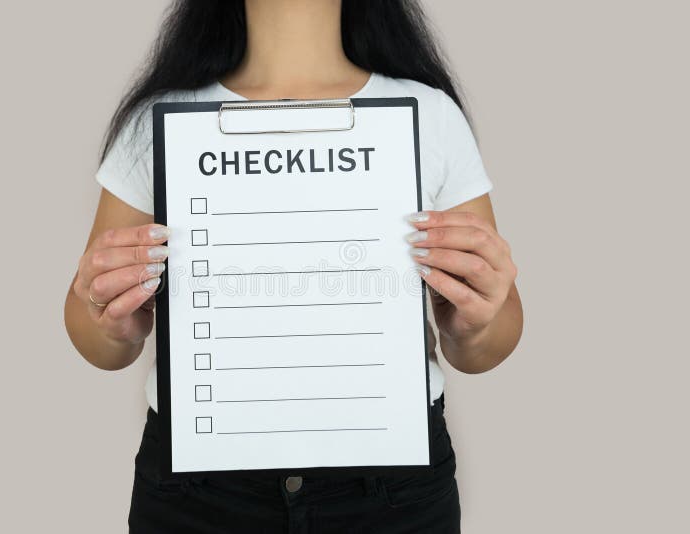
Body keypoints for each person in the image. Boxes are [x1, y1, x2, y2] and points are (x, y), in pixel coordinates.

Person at [64, 0, 523, 531]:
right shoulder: (159, 122)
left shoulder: (429, 113)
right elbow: (95, 336)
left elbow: (491, 339)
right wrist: (110, 318)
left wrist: (476, 322)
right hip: (200, 493)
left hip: (391, 489)